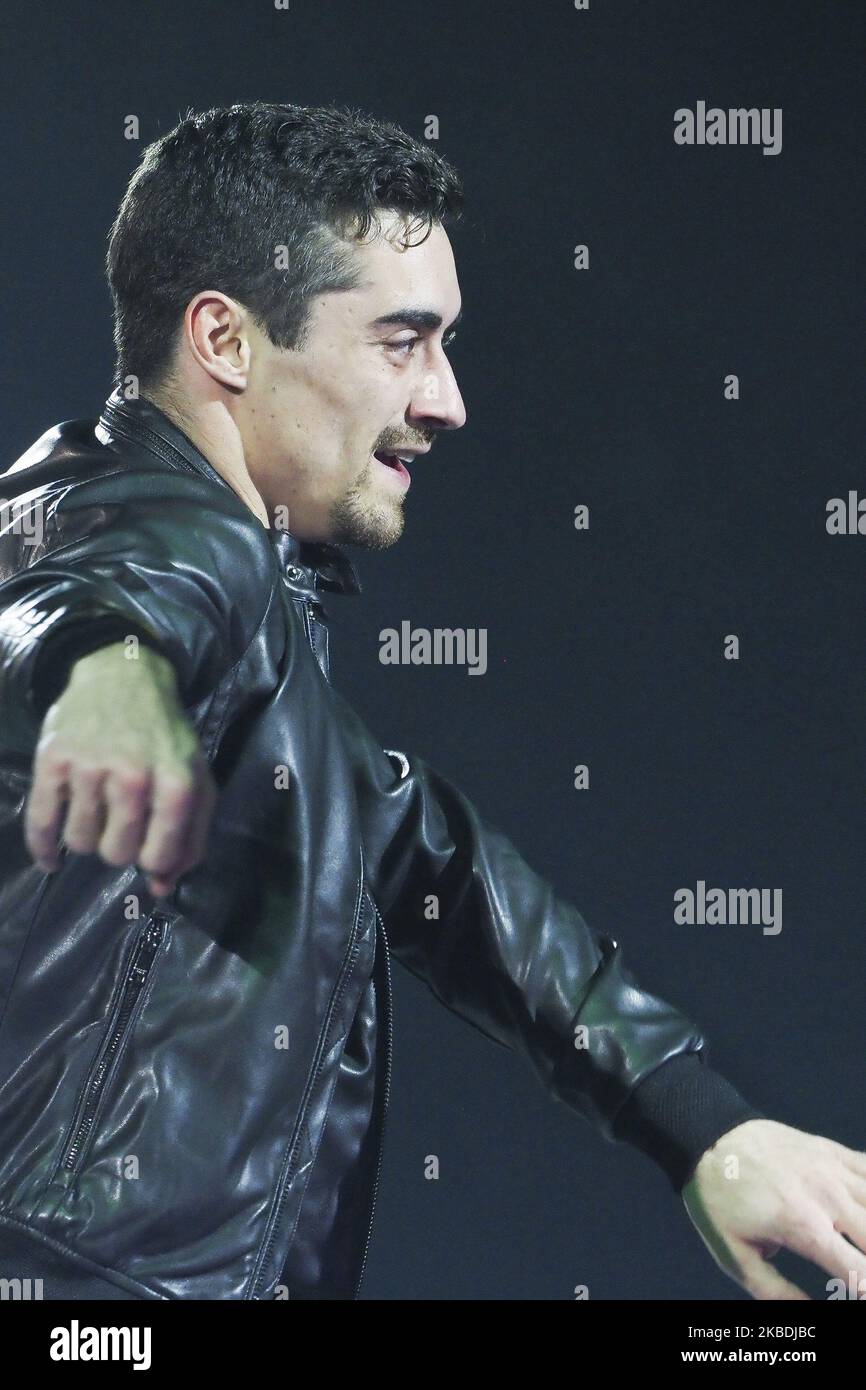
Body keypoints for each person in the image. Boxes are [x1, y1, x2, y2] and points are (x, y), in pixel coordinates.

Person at [0, 101, 862, 1302]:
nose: (446, 398)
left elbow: (434, 863)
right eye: (402, 342)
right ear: (226, 340)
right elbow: (92, 599)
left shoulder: (237, 631)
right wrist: (106, 677)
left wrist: (699, 1124)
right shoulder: (167, 534)